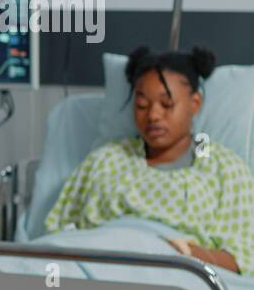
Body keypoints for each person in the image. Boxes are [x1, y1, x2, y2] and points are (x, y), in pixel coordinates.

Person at [46, 45, 254, 275]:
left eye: (167, 104)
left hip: (171, 268)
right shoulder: (106, 159)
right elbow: (59, 237)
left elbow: (243, 260)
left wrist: (188, 253)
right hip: (95, 260)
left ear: (195, 103)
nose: (153, 115)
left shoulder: (222, 168)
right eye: (142, 105)